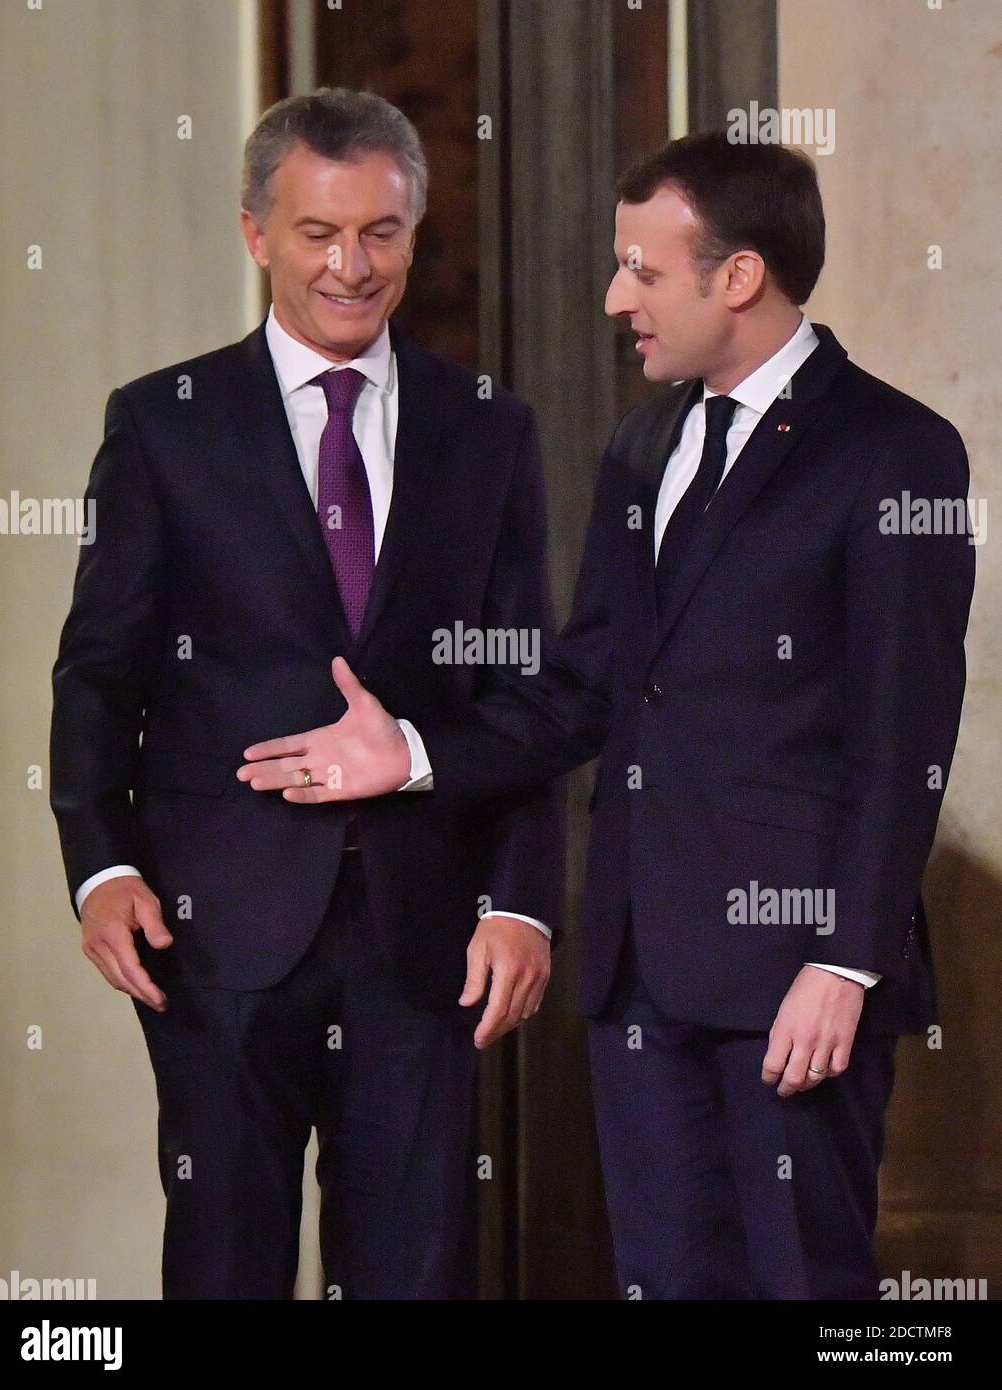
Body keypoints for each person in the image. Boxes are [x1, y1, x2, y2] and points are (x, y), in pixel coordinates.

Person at [243, 133, 976, 1299]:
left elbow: (905, 736)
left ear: (734, 277)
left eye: (639, 267)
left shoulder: (894, 451)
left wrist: (845, 960)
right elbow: (585, 684)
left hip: (794, 980)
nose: (612, 296)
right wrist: (417, 753)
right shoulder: (642, 447)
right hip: (638, 973)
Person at [49, 88, 562, 1300]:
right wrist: (102, 865)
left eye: (381, 231)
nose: (350, 265)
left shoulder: (487, 430)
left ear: (414, 233)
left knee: (416, 1273)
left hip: (428, 940)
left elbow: (523, 686)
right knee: (224, 1266)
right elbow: (97, 670)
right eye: (318, 232)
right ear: (254, 233)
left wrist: (524, 903)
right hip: (212, 936)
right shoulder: (163, 425)